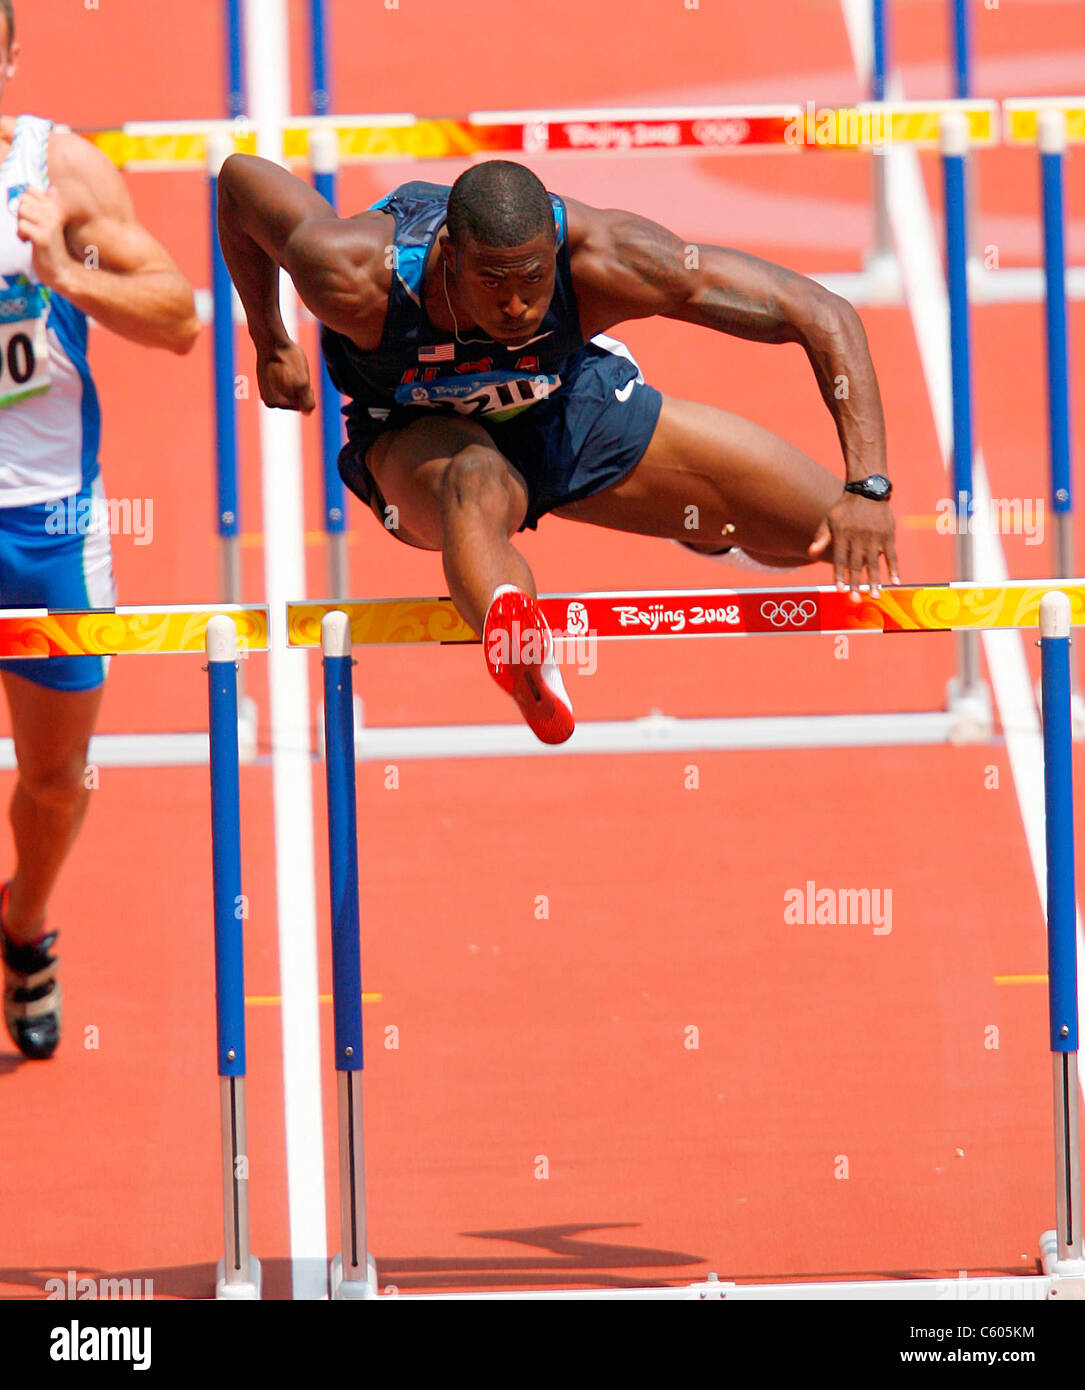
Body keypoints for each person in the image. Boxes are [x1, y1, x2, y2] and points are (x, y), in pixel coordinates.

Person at [218, 154, 898, 744]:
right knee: (476, 482)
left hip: (567, 407)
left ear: (556, 255)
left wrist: (867, 485)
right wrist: (270, 338)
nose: (515, 306)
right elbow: (238, 182)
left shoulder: (613, 259)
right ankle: (522, 651)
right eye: (492, 283)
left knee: (819, 532)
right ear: (450, 257)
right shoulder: (353, 271)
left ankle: (703, 530)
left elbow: (820, 311)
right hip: (415, 438)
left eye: (532, 280)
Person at [0, 0, 199, 1059]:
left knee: (52, 780)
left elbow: (180, 317)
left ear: (11, 55)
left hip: (45, 524)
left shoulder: (59, 174)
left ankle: (25, 921)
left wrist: (64, 274)